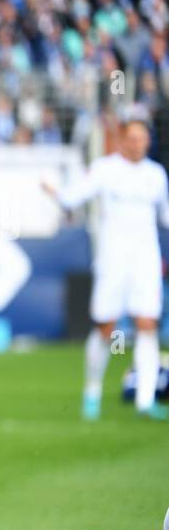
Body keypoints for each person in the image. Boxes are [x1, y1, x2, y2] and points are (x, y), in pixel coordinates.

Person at [43, 117, 169, 421]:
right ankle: (92, 392)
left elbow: (165, 216)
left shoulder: (156, 174)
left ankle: (145, 399)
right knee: (106, 328)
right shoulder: (105, 170)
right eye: (133, 138)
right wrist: (55, 192)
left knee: (148, 325)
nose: (139, 143)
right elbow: (74, 197)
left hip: (146, 260)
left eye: (143, 138)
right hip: (113, 260)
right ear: (122, 139)